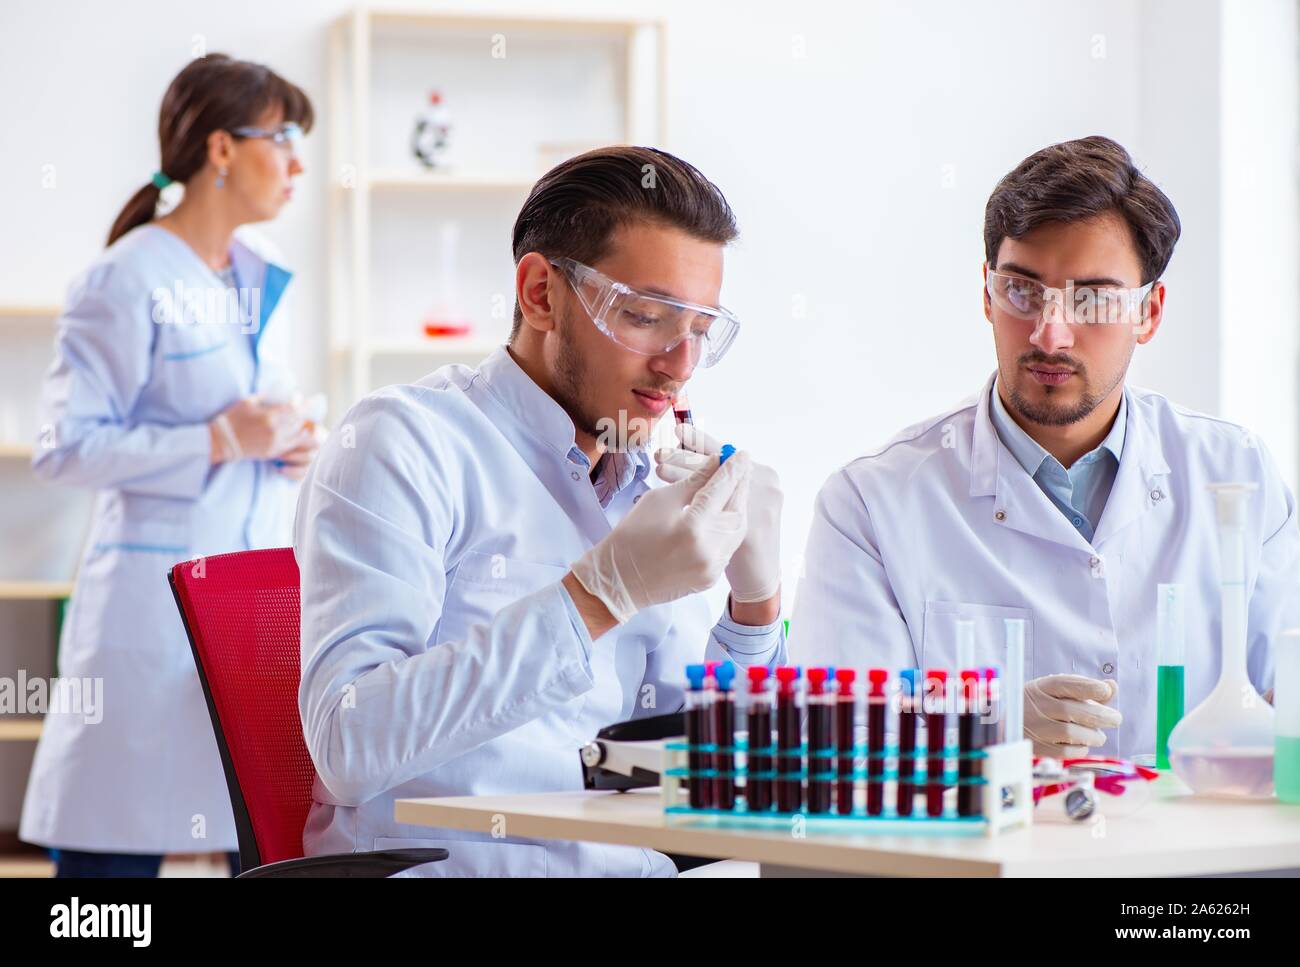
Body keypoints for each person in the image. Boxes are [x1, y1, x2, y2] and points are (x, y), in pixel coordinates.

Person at [295, 146, 785, 876]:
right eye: (648, 316)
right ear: (540, 294)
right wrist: (595, 596)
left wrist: (755, 606)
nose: (680, 364)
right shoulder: (404, 442)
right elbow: (348, 747)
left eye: (701, 332)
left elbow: (707, 774)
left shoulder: (649, 478)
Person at [792, 136, 1300, 759]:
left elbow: (1287, 700)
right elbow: (829, 747)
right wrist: (980, 729)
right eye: (1023, 290)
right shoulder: (872, 503)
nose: (1050, 333)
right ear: (986, 292)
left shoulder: (1235, 475)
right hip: (986, 858)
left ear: (1149, 312)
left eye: (1092, 299)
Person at [20, 54, 319, 877]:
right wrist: (218, 440)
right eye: (284, 139)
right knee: (112, 845)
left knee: (259, 836)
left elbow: (258, 417)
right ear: (221, 149)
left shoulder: (259, 278)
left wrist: (290, 442)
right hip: (148, 614)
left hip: (248, 601)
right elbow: (64, 447)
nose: (298, 164)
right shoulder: (123, 278)